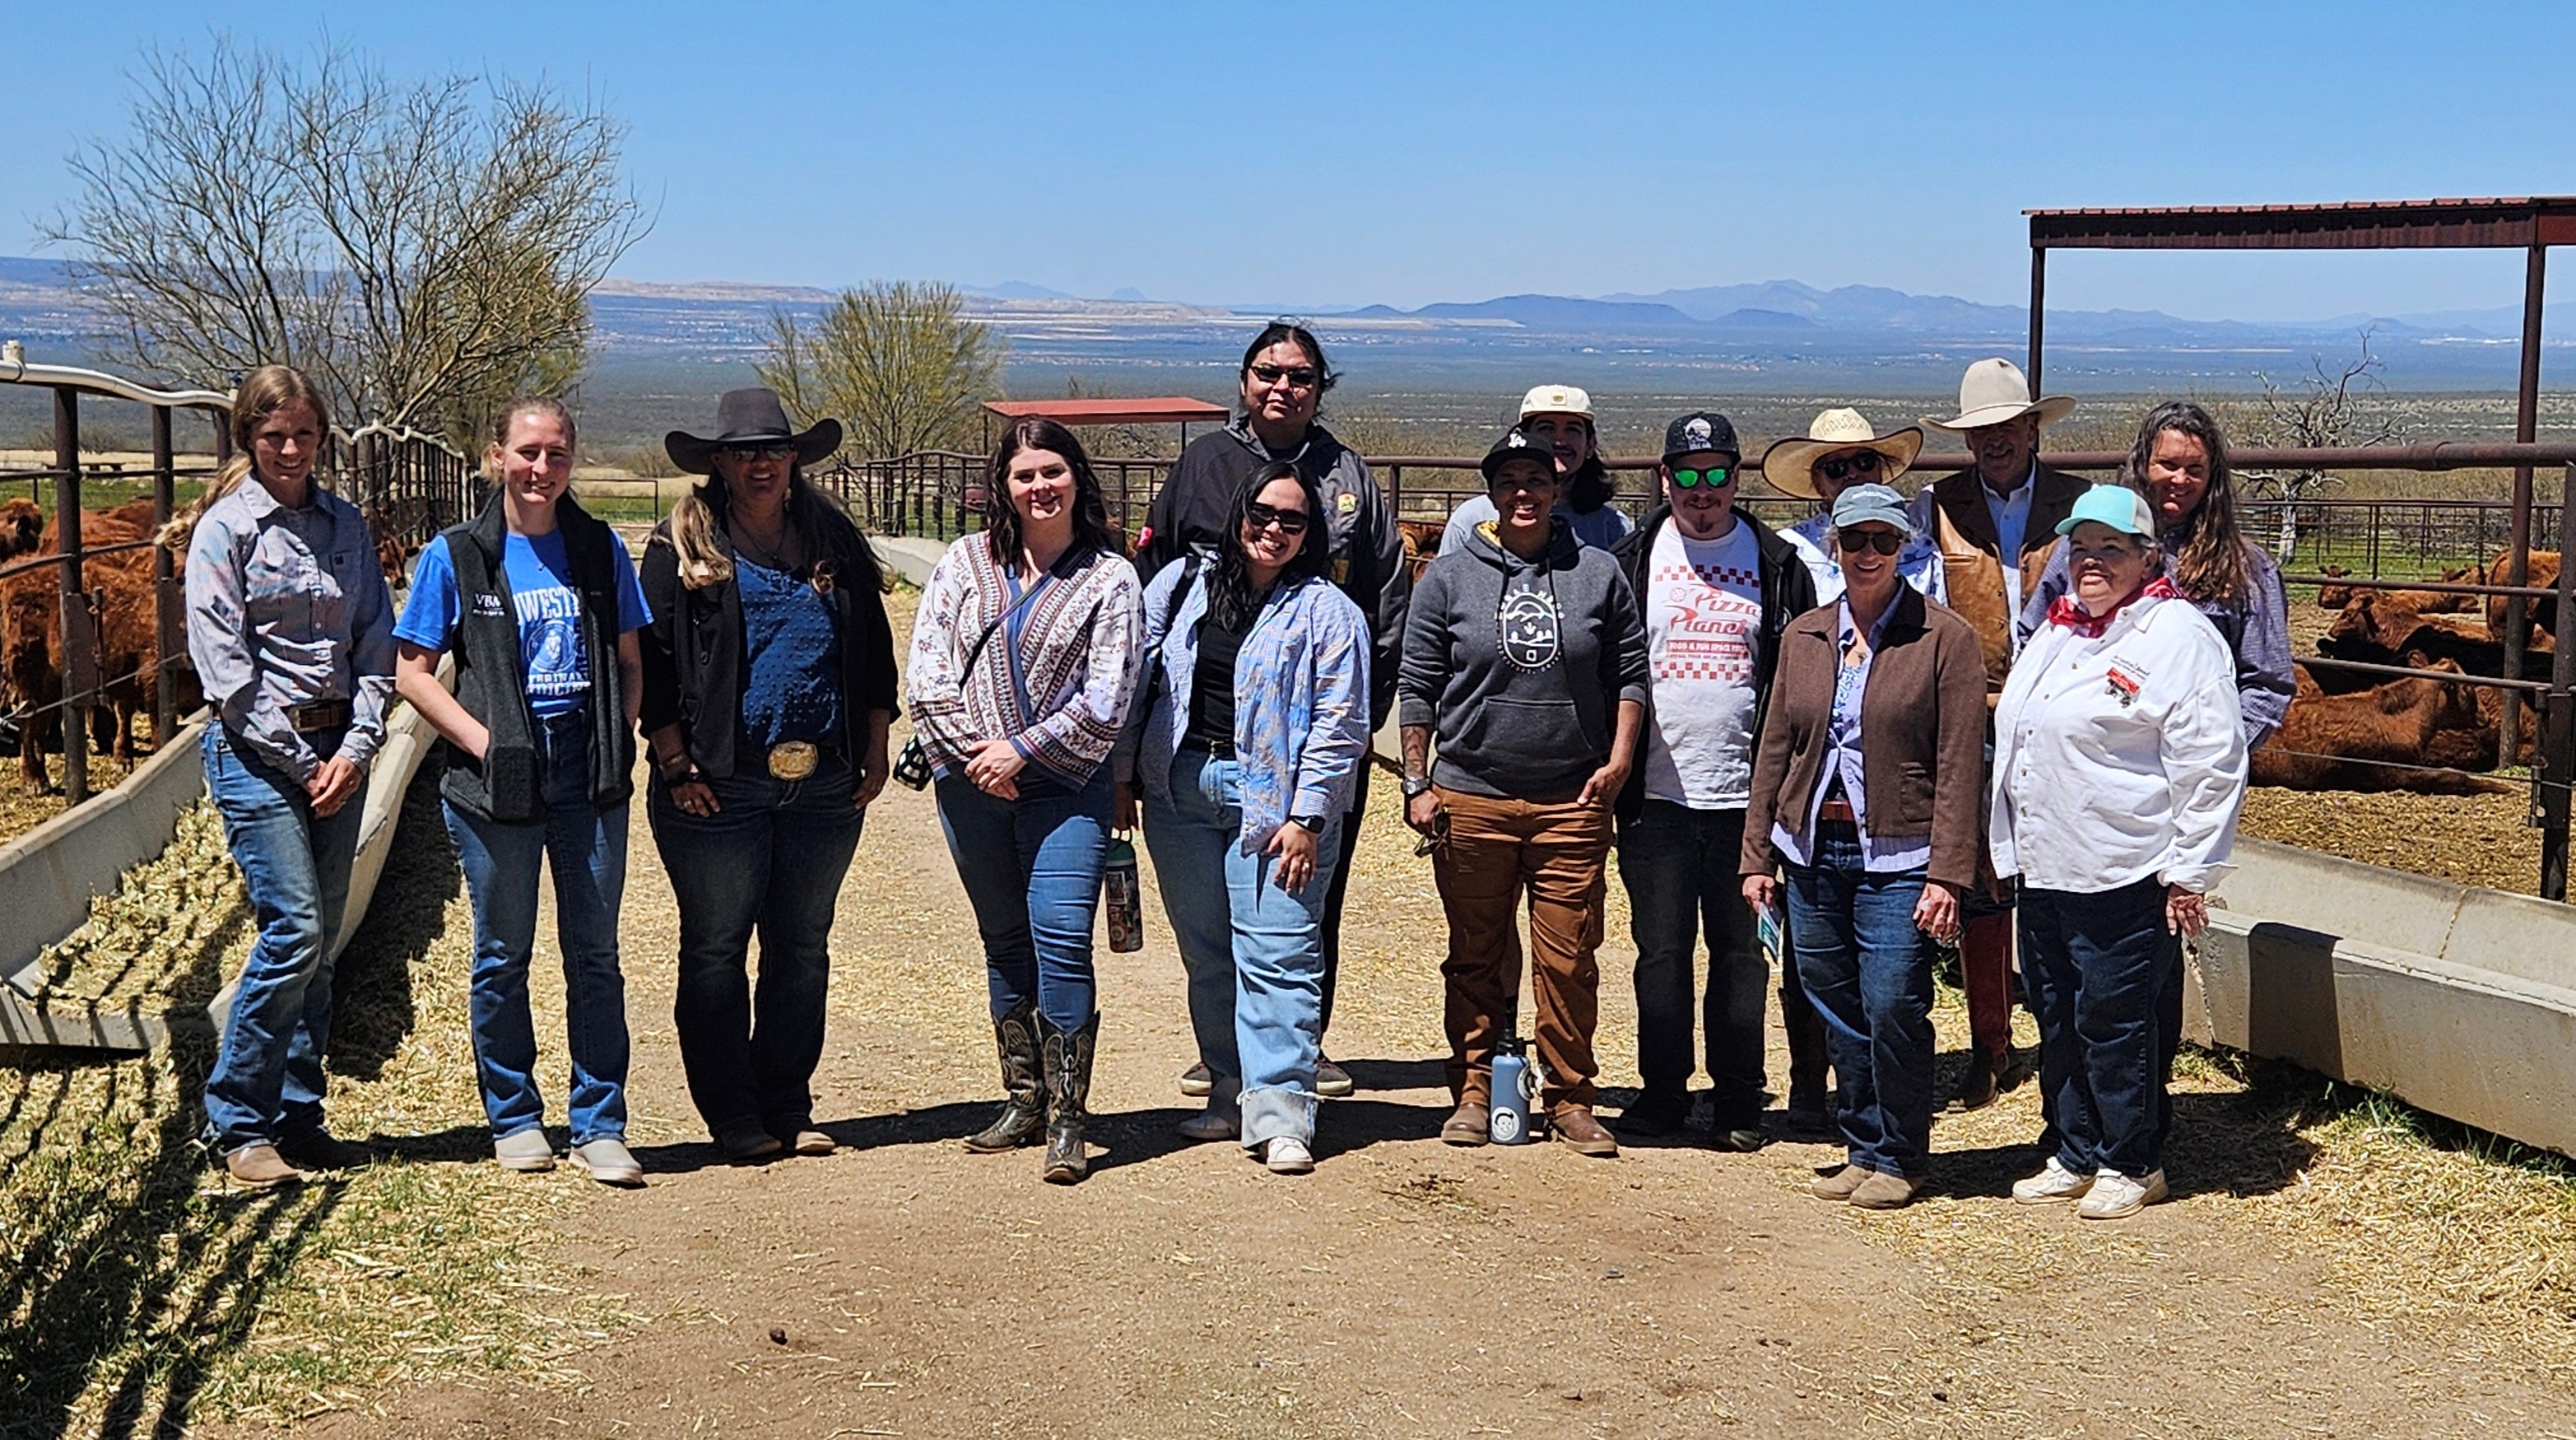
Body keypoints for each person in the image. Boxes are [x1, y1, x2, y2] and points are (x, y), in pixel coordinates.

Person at [1137, 321, 1407, 1102]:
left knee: (1304, 898)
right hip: (1204, 735)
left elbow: (1385, 596)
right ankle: (1224, 1056)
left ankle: (1301, 1045)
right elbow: (1155, 588)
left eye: (1299, 375)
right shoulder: (1202, 464)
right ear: (1244, 379)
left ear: (1322, 386)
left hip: (1316, 726)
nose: (1282, 387)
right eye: (1267, 372)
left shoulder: (1348, 473)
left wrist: (1356, 721)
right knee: (1209, 913)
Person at [394, 397, 653, 1187]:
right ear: (495, 456)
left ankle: (599, 1120)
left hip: (587, 771)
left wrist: (613, 731)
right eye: (528, 453)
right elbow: (411, 672)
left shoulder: (599, 548)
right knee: (503, 953)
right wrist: (486, 744)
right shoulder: (459, 555)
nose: (542, 470)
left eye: (558, 454)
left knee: (596, 954)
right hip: (493, 780)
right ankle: (513, 1117)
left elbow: (631, 660)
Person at [639, 388, 900, 1165]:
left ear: (795, 458)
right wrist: (674, 758)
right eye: (744, 451)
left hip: (822, 779)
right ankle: (732, 1111)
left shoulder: (830, 538)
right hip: (719, 780)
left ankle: (789, 1102)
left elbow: (873, 648)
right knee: (716, 945)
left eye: (774, 449)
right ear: (718, 462)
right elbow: (650, 663)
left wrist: (876, 742)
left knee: (803, 945)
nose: (760, 463)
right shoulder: (680, 545)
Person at [1991, 485, 2247, 1220]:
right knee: (2058, 1013)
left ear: (2147, 557)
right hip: (2044, 861)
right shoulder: (2060, 630)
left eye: (2111, 550)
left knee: (2116, 1018)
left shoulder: (2177, 636)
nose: (2092, 564)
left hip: (2125, 864)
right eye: (2081, 550)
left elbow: (2212, 758)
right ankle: (2074, 1149)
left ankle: (2131, 1158)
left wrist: (2191, 870)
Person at [177, 364, 397, 1190]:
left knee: (321, 943)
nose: (291, 448)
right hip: (256, 754)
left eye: (304, 433)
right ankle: (238, 1120)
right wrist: (307, 764)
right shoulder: (225, 532)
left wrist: (359, 744)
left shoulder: (345, 526)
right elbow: (227, 672)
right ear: (249, 438)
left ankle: (299, 1113)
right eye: (274, 435)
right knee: (296, 928)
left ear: (322, 436)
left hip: (338, 744)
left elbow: (376, 639)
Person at [1400, 429, 1648, 1159]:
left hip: (1571, 797)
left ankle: (1571, 1097)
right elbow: (1417, 686)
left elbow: (1630, 674)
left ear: (1556, 488)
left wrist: (1620, 762)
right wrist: (1418, 782)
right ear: (1490, 491)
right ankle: (1475, 1091)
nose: (1523, 494)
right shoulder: (1449, 577)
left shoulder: (1597, 571)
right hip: (1471, 794)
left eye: (1536, 480)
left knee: (1568, 956)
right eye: (1509, 480)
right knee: (1476, 952)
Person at [1118, 461, 1370, 1173]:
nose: (1274, 530)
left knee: (1281, 953)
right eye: (1263, 513)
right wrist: (1123, 777)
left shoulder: (1328, 612)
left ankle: (1283, 1110)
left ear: (1311, 532)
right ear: (1238, 514)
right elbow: (1141, 683)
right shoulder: (1183, 587)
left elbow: (1340, 722)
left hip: (1278, 807)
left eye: (1293, 520)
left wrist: (1309, 817)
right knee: (1208, 952)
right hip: (1182, 792)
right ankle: (1228, 1091)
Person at [1740, 485, 1987, 1210]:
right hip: (1814, 849)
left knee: (1891, 1003)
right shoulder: (1807, 636)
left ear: (1905, 546)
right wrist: (1757, 855)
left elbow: (1959, 763)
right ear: (1836, 547)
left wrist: (1949, 872)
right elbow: (1776, 747)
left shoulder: (1944, 639)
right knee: (1834, 1000)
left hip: (1901, 856)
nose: (1869, 554)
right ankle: (1863, 1143)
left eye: (1884, 540)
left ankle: (1904, 1153)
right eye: (1855, 542)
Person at [911, 417, 1142, 1184]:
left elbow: (1110, 697)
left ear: (1077, 477)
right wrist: (984, 759)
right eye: (1023, 475)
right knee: (1003, 939)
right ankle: (1025, 1097)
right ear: (1002, 487)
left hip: (1064, 789)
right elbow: (928, 674)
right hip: (971, 785)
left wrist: (1024, 750)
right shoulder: (962, 565)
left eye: (1052, 471)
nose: (1039, 487)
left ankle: (1072, 1116)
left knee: (1060, 938)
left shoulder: (1110, 579)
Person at [1605, 411, 1814, 1150]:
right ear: (1665, 478)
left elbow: (1799, 679)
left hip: (1743, 800)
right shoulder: (1631, 560)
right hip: (1655, 797)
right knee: (1660, 951)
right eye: (1687, 474)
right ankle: (1663, 1092)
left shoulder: (1778, 562)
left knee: (1740, 956)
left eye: (1717, 473)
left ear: (1737, 478)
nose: (1702, 490)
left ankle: (1737, 1098)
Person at [1908, 357, 2087, 1113]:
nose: (1995, 440)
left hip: (2058, 707)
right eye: (1982, 430)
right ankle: (1990, 1045)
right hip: (1973, 709)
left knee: (2054, 872)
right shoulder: (1935, 508)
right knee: (1979, 874)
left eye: (2008, 426)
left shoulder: (2078, 507)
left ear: (2032, 427)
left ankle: (2065, 1040)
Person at [2018, 401, 2294, 749]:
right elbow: (2034, 635)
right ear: (2143, 465)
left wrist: (2217, 752)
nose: (2181, 479)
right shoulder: (2082, 549)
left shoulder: (2246, 567)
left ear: (2212, 477)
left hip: (2188, 756)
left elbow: (2268, 683)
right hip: (2080, 753)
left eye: (2195, 468)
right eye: (2168, 465)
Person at [1760, 407, 1944, 605]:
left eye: (1864, 462)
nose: (1853, 474)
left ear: (1880, 470)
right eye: (1835, 468)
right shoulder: (1792, 550)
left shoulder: (1922, 549)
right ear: (1819, 482)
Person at [1439, 385, 1634, 554]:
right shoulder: (1473, 518)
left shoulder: (1613, 527)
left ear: (1590, 445)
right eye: (1546, 428)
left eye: (1572, 429)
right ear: (1522, 439)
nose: (1559, 441)